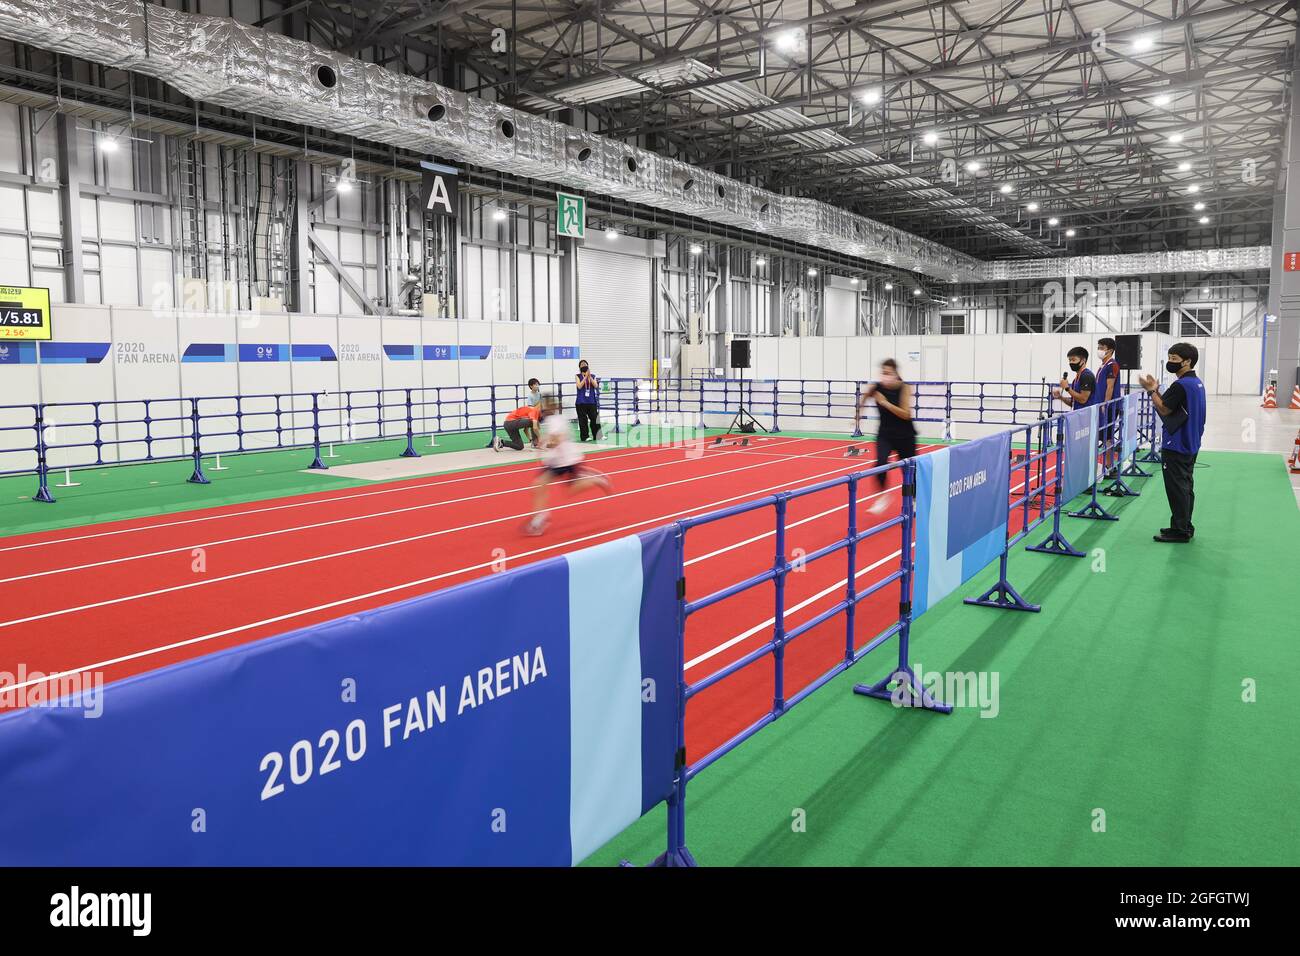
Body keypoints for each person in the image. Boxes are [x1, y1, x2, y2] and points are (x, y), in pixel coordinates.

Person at [1138, 343, 1206, 543]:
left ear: (1188, 361)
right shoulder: (1197, 383)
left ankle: (1180, 530)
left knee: (1177, 488)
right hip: (1191, 442)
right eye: (1169, 357)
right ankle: (1183, 525)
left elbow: (1165, 409)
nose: (1170, 362)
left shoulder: (1181, 385)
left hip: (1177, 444)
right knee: (1185, 486)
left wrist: (1152, 391)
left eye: (1175, 359)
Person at [523, 395, 612, 536]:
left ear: (550, 407)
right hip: (557, 461)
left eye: (544, 406)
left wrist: (546, 445)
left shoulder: (554, 421)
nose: (542, 409)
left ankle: (598, 479)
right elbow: (555, 437)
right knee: (539, 484)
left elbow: (556, 441)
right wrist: (545, 441)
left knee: (570, 490)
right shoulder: (555, 419)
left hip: (567, 460)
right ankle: (540, 519)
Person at [854, 358, 917, 514]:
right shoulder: (876, 387)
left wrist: (885, 403)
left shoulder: (905, 388)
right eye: (883, 372)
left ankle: (912, 500)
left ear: (896, 374)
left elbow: (905, 414)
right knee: (880, 463)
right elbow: (864, 397)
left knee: (908, 471)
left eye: (889, 373)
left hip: (905, 436)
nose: (885, 376)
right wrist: (858, 415)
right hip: (885, 434)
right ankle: (883, 496)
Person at [1095, 337, 1121, 476]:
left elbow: (1110, 387)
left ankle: (1111, 467)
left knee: (1108, 436)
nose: (1099, 350)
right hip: (1101, 405)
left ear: (1109, 350)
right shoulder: (1103, 365)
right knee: (1104, 436)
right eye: (1098, 347)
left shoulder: (1112, 365)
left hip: (1109, 406)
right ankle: (1107, 465)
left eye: (1102, 347)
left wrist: (1105, 404)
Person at [574, 360, 602, 441]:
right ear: (579, 367)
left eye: (585, 364)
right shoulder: (577, 376)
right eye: (582, 365)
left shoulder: (593, 376)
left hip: (591, 401)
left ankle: (598, 435)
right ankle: (585, 436)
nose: (584, 366)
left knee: (595, 418)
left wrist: (589, 376)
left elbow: (596, 385)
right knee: (583, 420)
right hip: (581, 402)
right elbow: (579, 386)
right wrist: (585, 377)